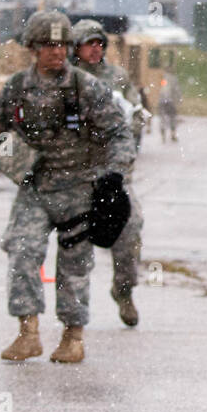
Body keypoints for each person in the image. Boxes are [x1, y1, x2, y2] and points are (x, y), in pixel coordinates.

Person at [0, 11, 134, 363]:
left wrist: (115, 174)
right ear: (33, 48)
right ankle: (28, 333)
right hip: (36, 187)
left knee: (74, 266)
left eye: (62, 45)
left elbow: (120, 131)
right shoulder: (16, 87)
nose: (57, 52)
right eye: (49, 45)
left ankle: (73, 337)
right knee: (22, 252)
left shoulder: (85, 87)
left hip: (79, 189)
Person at [70, 19, 143, 327]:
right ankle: (73, 311)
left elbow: (137, 113)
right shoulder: (67, 79)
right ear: (76, 48)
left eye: (100, 43)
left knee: (130, 230)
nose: (96, 48)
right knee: (75, 242)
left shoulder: (117, 77)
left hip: (113, 171)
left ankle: (123, 290)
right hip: (76, 171)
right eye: (89, 43)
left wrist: (128, 133)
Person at [157, 75, 181, 142]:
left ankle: (164, 135)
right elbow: (177, 91)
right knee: (171, 118)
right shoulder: (173, 79)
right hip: (169, 102)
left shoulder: (164, 78)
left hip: (163, 101)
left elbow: (163, 91)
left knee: (164, 119)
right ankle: (171, 134)